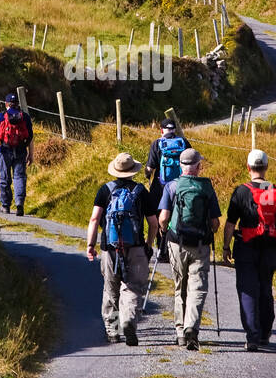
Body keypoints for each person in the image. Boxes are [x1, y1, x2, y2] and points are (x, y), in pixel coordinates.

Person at [86, 153, 159, 346]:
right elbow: (153, 223)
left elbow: (94, 219)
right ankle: (128, 322)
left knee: (111, 288)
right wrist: (148, 245)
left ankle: (113, 330)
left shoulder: (105, 190)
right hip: (135, 246)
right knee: (133, 287)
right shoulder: (142, 191)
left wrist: (90, 245)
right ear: (132, 171)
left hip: (109, 248)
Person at [222, 149, 276, 352]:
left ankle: (252, 336)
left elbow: (229, 224)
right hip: (270, 247)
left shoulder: (241, 191)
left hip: (246, 246)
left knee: (247, 290)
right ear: (266, 167)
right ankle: (265, 332)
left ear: (248, 167)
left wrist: (226, 247)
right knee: (265, 287)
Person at [158, 148, 220, 351]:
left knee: (180, 287)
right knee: (198, 287)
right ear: (198, 166)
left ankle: (180, 333)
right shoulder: (207, 187)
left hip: (177, 242)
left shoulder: (172, 186)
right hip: (200, 245)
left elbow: (164, 217)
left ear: (180, 166)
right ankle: (191, 327)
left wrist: (163, 232)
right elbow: (215, 222)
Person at [145, 120, 189, 259]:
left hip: (160, 187)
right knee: (178, 216)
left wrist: (147, 175)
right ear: (174, 130)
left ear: (161, 130)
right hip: (180, 185)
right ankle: (176, 250)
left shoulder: (157, 143)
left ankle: (161, 249)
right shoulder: (183, 142)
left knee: (159, 217)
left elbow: (150, 168)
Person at [0, 92, 33, 216]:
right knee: (19, 177)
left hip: (5, 151)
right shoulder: (25, 117)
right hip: (20, 151)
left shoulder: (1, 116)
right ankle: (19, 204)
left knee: (5, 178)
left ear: (6, 104)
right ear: (17, 104)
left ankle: (5, 206)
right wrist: (31, 154)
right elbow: (30, 137)